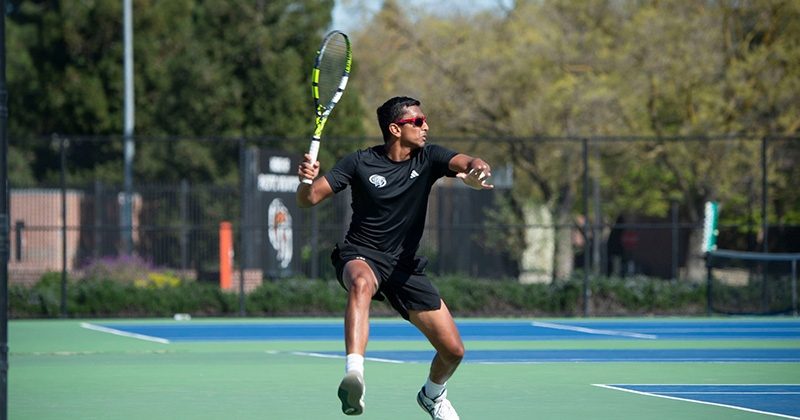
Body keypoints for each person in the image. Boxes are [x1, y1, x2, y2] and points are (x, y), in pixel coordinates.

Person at [296, 96, 493, 419]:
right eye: (417, 121)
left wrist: (477, 170)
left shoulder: (429, 157)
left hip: (404, 267)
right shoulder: (359, 162)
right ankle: (354, 373)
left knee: (453, 351)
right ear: (395, 129)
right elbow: (309, 199)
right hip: (361, 253)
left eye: (424, 120)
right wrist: (306, 180)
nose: (425, 126)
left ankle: (432, 396)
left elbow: (468, 161)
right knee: (361, 283)